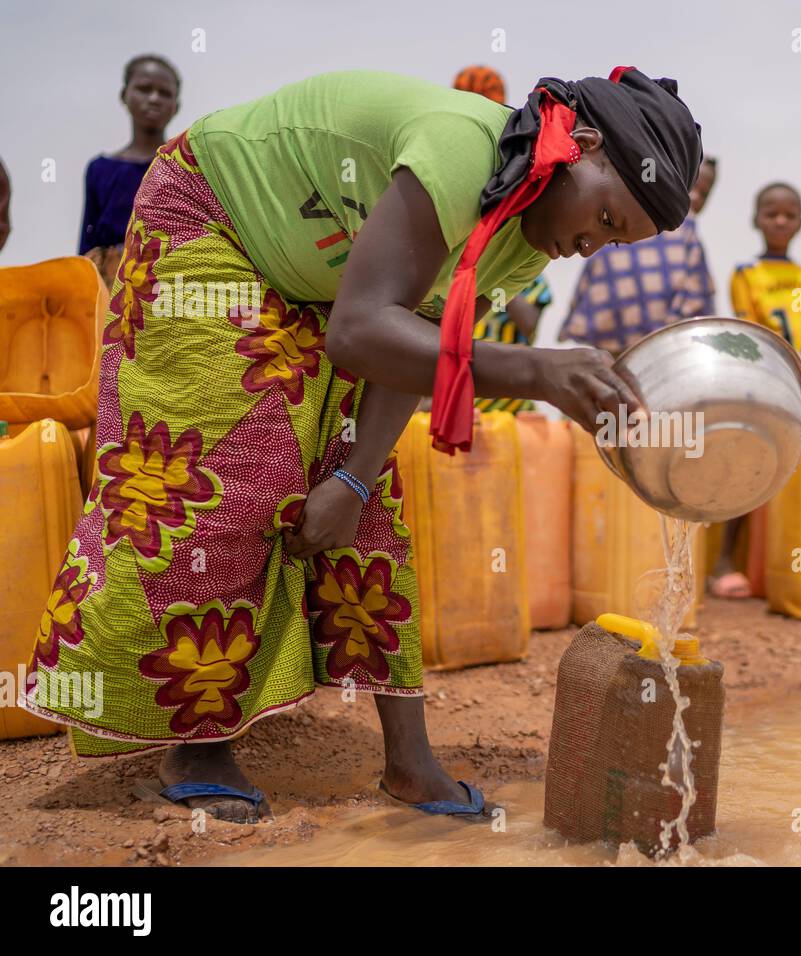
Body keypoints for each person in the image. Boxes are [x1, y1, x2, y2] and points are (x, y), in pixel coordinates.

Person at [21, 67, 702, 824]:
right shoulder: (461, 152)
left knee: (370, 499)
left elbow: (413, 351)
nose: (589, 247)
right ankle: (197, 740)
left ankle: (408, 762)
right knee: (233, 473)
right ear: (582, 145)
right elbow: (361, 330)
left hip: (318, 275)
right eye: (606, 221)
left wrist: (349, 481)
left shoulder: (526, 238)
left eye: (614, 244)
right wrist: (532, 369)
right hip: (212, 219)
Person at [708, 182, 801, 598]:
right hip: (768, 382)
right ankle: (725, 563)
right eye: (772, 213)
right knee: (750, 468)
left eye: (790, 214)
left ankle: (789, 566)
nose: (781, 221)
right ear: (756, 220)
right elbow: (753, 334)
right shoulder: (747, 273)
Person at [450, 64, 555, 414]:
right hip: (460, 404)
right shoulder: (452, 248)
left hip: (511, 411)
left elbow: (530, 325)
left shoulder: (523, 249)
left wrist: (489, 271)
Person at [559, 156, 716, 355]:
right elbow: (599, 269)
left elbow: (695, 281)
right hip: (612, 324)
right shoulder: (627, 219)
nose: (694, 198)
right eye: (690, 188)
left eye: (703, 193)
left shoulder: (687, 231)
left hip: (663, 335)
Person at [79, 55, 181, 285]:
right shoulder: (100, 169)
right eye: (144, 89)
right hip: (110, 284)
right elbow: (87, 245)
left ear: (176, 106)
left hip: (167, 285)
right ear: (124, 96)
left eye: (164, 93)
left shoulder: (182, 166)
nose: (154, 99)